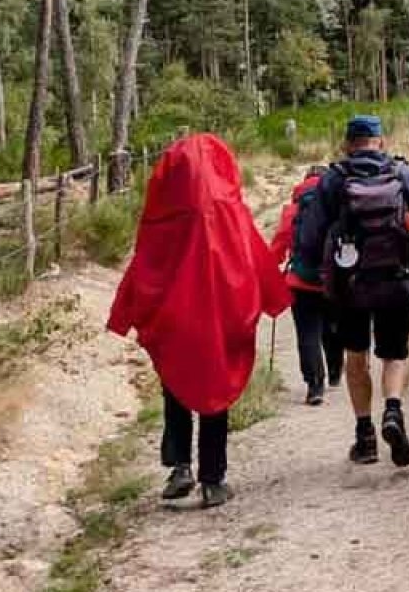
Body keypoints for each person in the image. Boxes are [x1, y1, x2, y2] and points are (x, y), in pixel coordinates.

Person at [107, 134, 290, 507]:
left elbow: (144, 263)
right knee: (215, 392)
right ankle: (212, 480)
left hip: (175, 320)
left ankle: (180, 466)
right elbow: (254, 255)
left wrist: (125, 311)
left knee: (175, 386)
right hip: (222, 316)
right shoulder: (231, 210)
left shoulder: (163, 215)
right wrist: (273, 297)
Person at [297, 115, 409, 468]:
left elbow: (310, 239)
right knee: (394, 354)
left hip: (350, 288)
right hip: (397, 281)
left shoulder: (334, 179)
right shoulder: (403, 173)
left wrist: (319, 277)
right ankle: (393, 411)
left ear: (348, 144)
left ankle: (365, 437)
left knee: (356, 356)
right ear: (381, 142)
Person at [270, 165, 349, 405]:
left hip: (300, 282)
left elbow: (279, 244)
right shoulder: (338, 205)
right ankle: (335, 371)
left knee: (307, 334)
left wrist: (272, 269)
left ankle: (315, 385)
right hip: (333, 280)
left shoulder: (293, 209)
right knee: (333, 326)